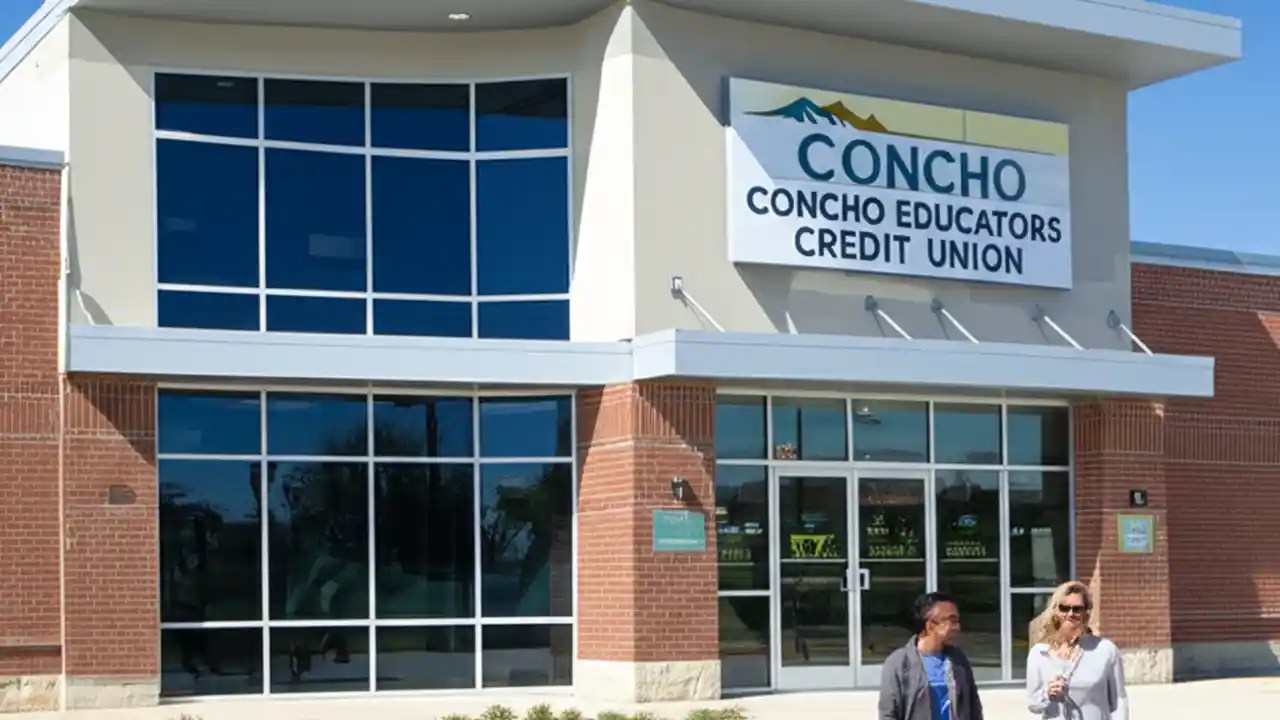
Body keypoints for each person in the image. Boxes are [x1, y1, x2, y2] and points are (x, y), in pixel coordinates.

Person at [1025, 580, 1129, 720]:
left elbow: (1119, 702)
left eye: (1077, 608)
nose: (1071, 613)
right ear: (1055, 610)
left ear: (1086, 612)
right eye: (1064, 608)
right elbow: (1033, 705)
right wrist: (1048, 694)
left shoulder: (1105, 650)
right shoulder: (1039, 653)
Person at [879, 592, 984, 720]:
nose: (957, 627)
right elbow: (889, 713)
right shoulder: (899, 662)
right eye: (952, 621)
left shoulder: (957, 659)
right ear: (930, 625)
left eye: (957, 621)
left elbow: (974, 708)